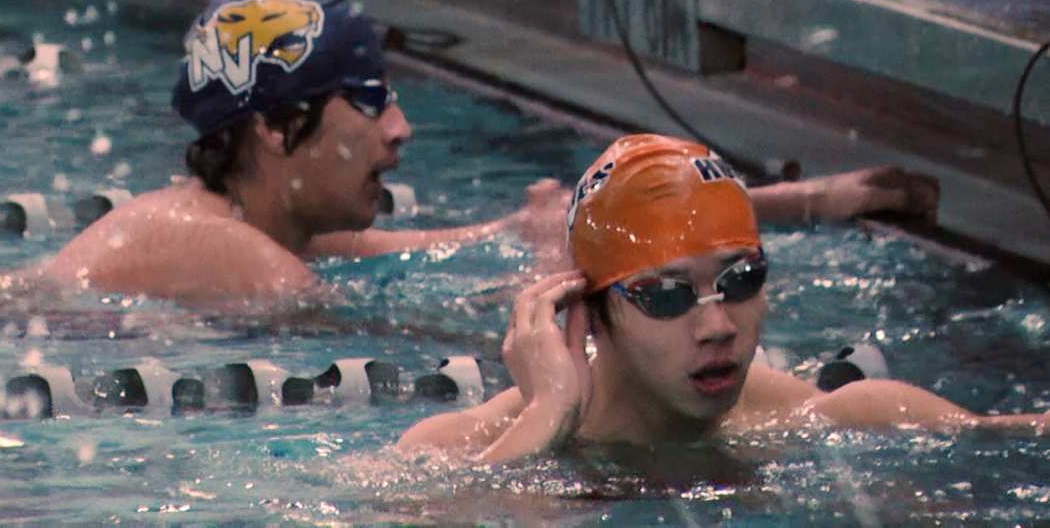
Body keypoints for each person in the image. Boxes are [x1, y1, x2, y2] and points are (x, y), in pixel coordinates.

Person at [40, 0, 938, 313]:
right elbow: (423, 335)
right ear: (276, 128)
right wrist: (554, 268)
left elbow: (477, 244)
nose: (401, 128)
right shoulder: (225, 249)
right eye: (368, 100)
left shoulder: (273, 229)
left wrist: (809, 201)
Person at [397, 134, 1039, 463]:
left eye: (740, 280)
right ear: (588, 311)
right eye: (668, 296)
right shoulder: (454, 447)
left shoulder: (839, 423)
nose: (717, 326)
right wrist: (547, 419)